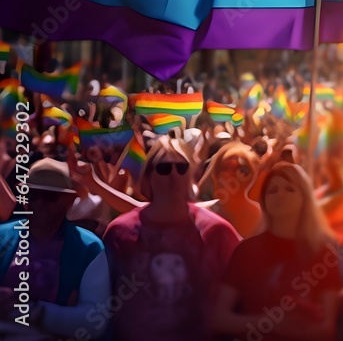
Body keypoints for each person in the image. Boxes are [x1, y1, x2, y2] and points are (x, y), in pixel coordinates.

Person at [103, 136, 241, 341]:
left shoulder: (218, 231)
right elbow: (102, 303)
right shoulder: (119, 233)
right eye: (164, 168)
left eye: (182, 167)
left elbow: (244, 294)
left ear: (191, 175)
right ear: (148, 177)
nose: (174, 174)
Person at [214, 162, 341, 340]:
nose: (280, 195)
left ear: (305, 198)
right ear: (264, 201)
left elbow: (327, 328)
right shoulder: (245, 251)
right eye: (272, 190)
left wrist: (296, 330)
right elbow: (219, 319)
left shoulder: (323, 255)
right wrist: (269, 322)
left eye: (289, 189)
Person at [0, 158, 110, 340]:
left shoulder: (89, 247)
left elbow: (94, 321)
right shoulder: (2, 236)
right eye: (32, 194)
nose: (39, 203)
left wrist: (30, 310)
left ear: (70, 200)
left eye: (50, 197)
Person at [197, 141, 262, 237]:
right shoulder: (202, 212)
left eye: (242, 170)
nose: (227, 175)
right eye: (224, 168)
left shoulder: (261, 217)